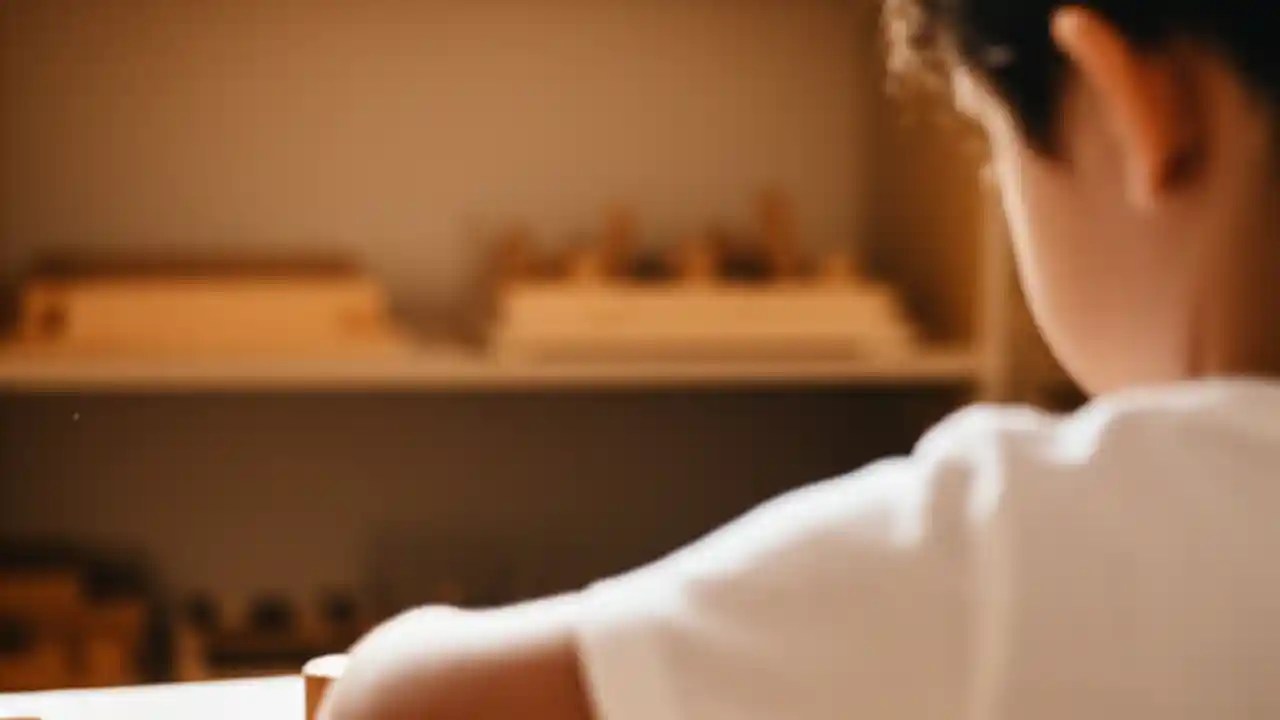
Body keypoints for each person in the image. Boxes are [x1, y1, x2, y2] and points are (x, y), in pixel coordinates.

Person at [320, 2, 1280, 718]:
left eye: (995, 150)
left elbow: (411, 709)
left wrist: (397, 651)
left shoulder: (1032, 558)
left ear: (1139, 111)